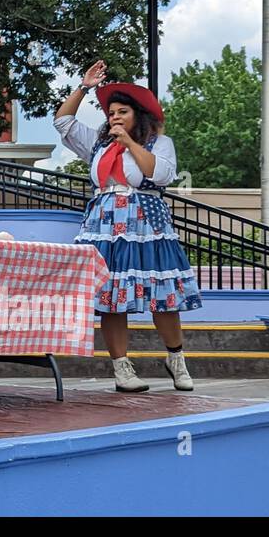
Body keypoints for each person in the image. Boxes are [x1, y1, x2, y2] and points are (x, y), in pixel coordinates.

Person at [54, 60, 201, 393]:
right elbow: (63, 121)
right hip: (105, 225)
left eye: (122, 112)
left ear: (138, 116)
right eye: (111, 113)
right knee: (111, 298)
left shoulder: (158, 143)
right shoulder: (97, 144)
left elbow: (158, 174)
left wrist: (129, 144)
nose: (114, 117)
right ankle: (122, 368)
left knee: (162, 296)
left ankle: (175, 358)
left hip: (146, 224)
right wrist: (84, 86)